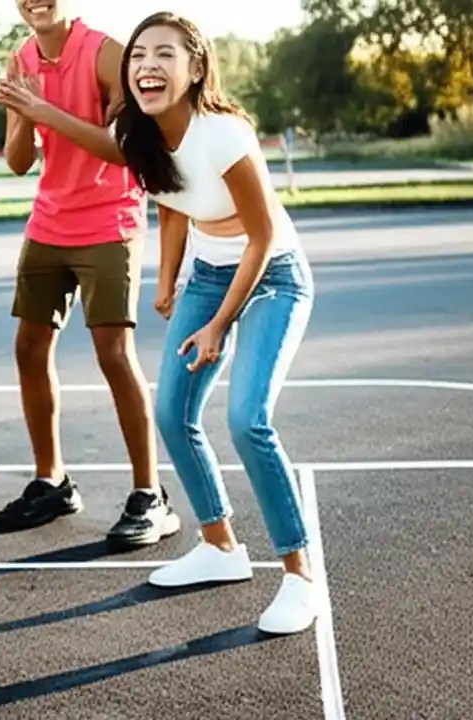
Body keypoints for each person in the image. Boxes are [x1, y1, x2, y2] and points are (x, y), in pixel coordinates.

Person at [116, 11, 321, 634]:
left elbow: (260, 239)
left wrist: (217, 326)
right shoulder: (137, 134)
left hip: (274, 277)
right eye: (138, 55)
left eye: (164, 54)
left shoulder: (224, 133)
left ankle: (299, 577)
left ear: (196, 67)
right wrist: (166, 281)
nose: (147, 65)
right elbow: (174, 207)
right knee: (171, 412)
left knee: (246, 418)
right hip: (206, 277)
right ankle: (221, 548)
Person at [0, 0, 179, 551]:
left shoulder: (107, 54)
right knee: (29, 346)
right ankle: (52, 482)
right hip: (49, 220)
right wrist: (24, 111)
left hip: (108, 220)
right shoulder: (19, 59)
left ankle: (150, 494)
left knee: (112, 354)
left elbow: (123, 150)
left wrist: (42, 109)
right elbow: (18, 161)